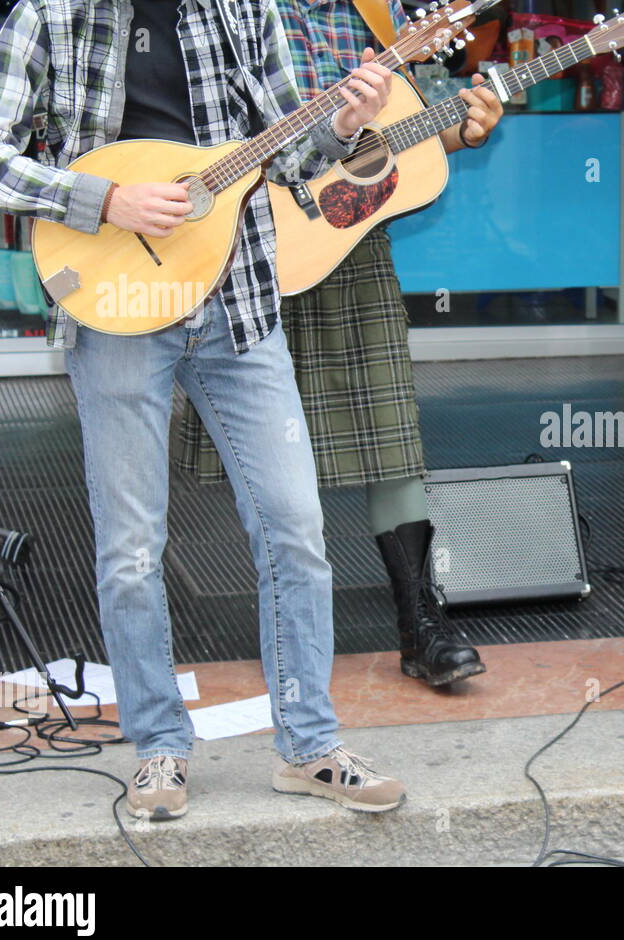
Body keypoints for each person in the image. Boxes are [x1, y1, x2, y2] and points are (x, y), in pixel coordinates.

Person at [0, 0, 403, 820]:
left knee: (295, 526)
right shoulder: (52, 13)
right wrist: (100, 199)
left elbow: (289, 157)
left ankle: (309, 744)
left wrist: (338, 125)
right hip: (117, 302)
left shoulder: (244, 9)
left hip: (240, 302)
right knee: (130, 547)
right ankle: (159, 749)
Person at [174, 0, 503, 688]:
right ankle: (284, 636)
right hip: (251, 240)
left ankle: (422, 627)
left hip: (350, 239)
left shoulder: (381, 13)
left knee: (393, 443)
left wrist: (465, 129)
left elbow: (399, 137)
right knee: (262, 455)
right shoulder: (232, 9)